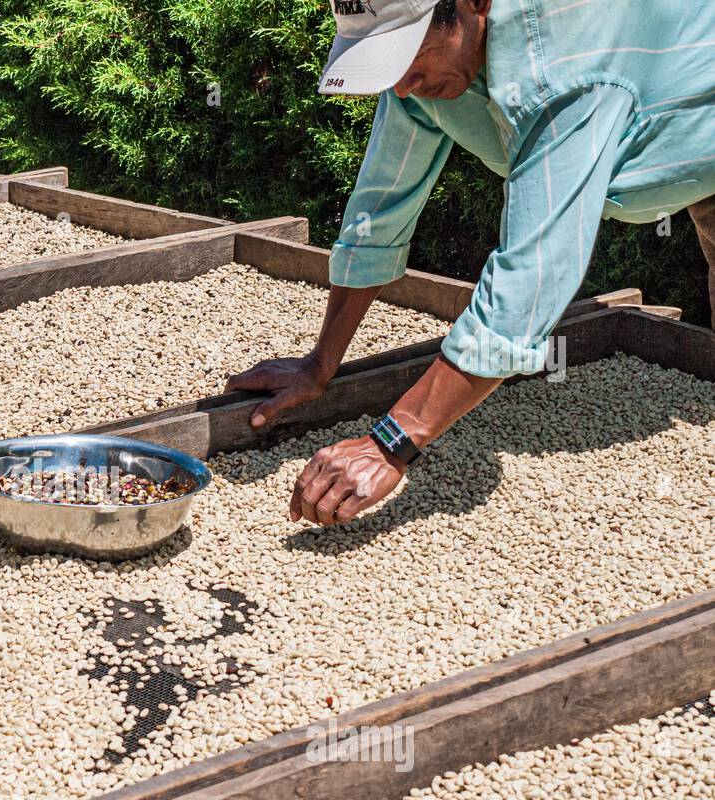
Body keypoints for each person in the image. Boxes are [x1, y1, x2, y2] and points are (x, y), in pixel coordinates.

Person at [229, 0, 715, 526]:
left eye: (410, 55)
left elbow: (528, 282)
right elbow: (379, 211)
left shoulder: (565, 68)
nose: (402, 86)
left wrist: (391, 442)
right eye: (387, 64)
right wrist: (319, 365)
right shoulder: (420, 75)